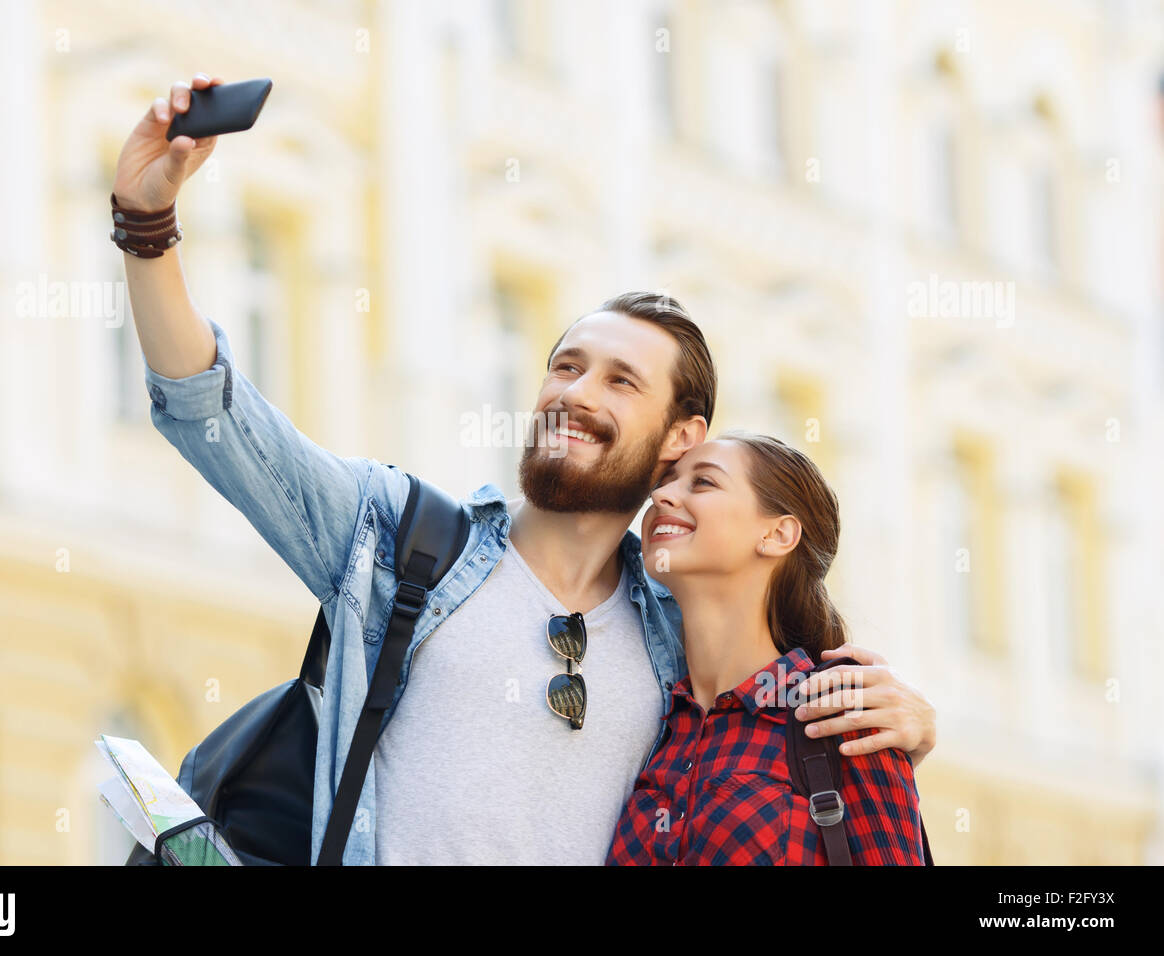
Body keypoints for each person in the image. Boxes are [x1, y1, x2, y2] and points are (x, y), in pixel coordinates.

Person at [112, 73, 937, 865]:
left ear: (680, 439)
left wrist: (915, 723)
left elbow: (787, 721)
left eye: (620, 381)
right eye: (566, 365)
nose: (574, 394)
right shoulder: (397, 540)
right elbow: (211, 412)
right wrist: (147, 224)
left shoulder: (682, 637)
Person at [608, 431, 925, 865]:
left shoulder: (839, 711)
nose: (661, 495)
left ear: (777, 535)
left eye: (703, 482)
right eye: (664, 482)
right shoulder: (653, 727)